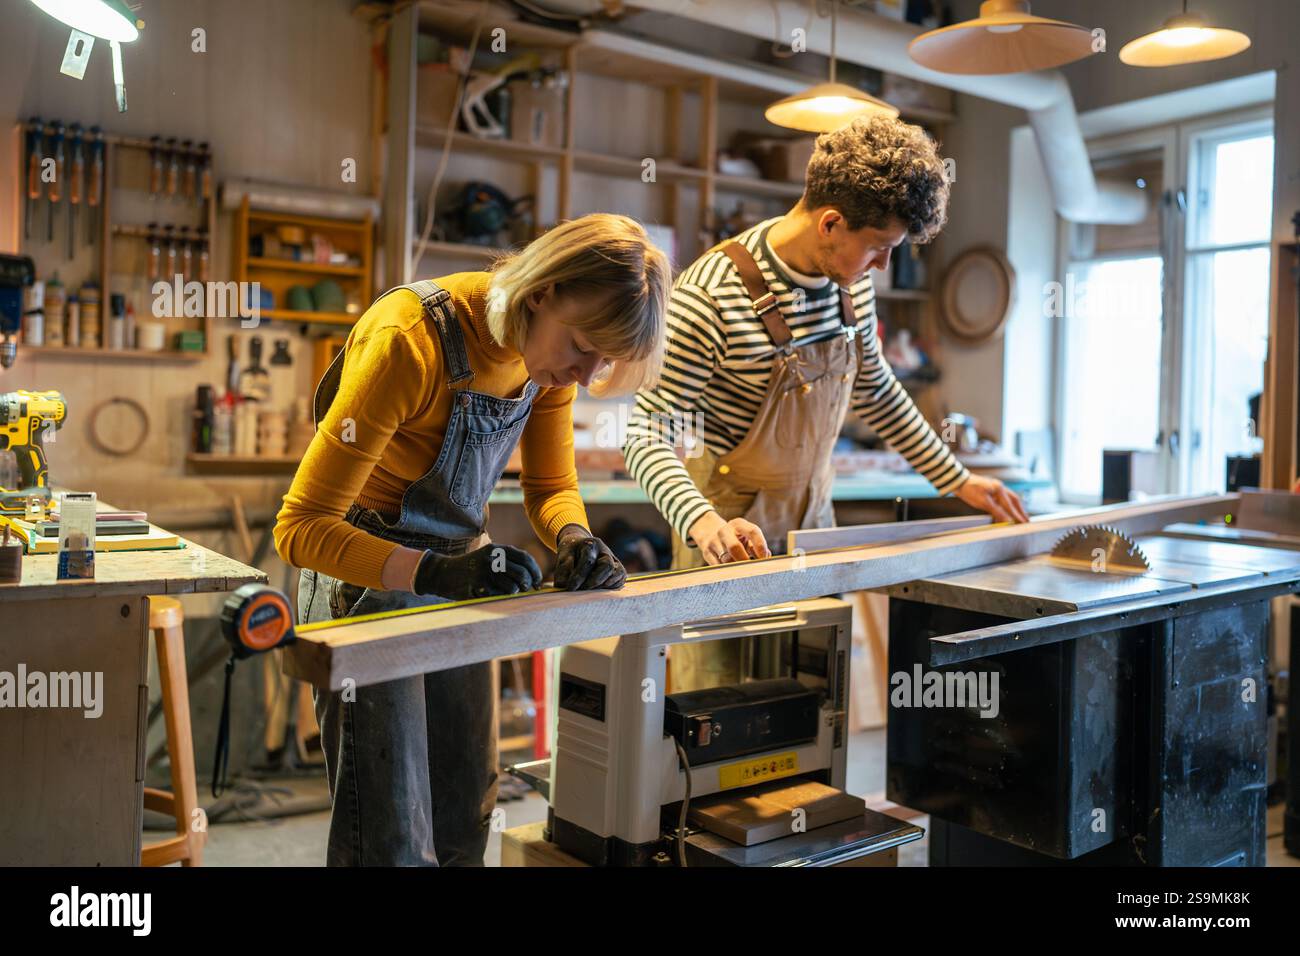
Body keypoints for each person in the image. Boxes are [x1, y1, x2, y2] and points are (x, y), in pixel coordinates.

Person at [275, 213, 669, 865]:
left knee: (465, 818)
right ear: (542, 292)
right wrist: (431, 573)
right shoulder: (410, 340)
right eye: (583, 347)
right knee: (392, 832)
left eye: (605, 361)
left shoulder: (547, 363)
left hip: (459, 580)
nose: (586, 374)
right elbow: (301, 530)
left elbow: (549, 487)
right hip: (365, 587)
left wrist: (572, 536)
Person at [623, 115, 1028, 691]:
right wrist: (702, 521)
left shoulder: (850, 281)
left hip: (816, 527)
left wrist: (959, 481)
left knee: (814, 702)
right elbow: (645, 433)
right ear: (832, 222)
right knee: (718, 715)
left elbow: (877, 389)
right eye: (880, 248)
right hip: (729, 536)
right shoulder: (709, 296)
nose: (884, 269)